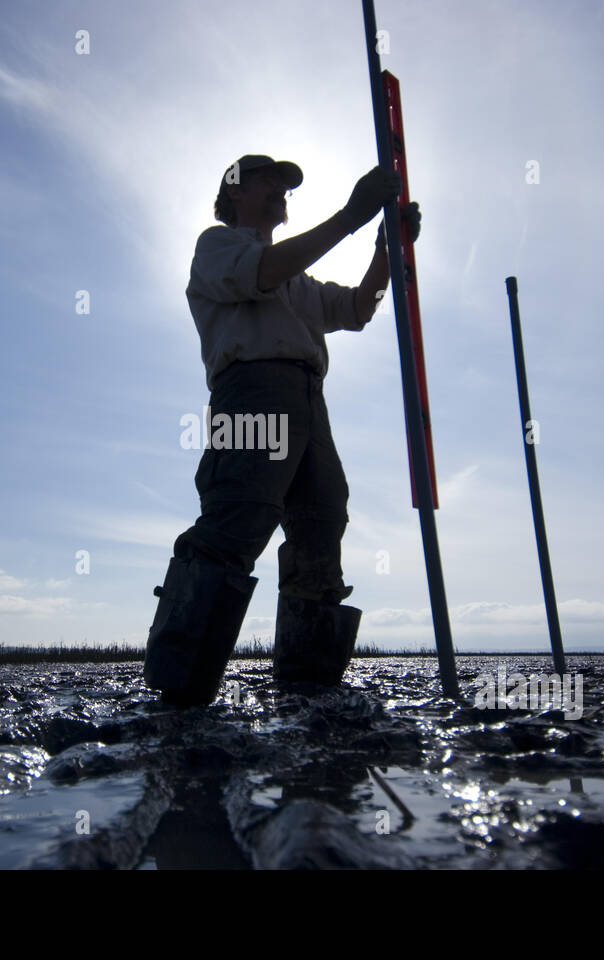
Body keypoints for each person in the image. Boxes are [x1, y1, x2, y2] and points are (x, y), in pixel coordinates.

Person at [144, 154, 421, 707]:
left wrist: (384, 252)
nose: (280, 191)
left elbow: (357, 308)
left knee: (321, 522)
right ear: (234, 193)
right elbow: (261, 272)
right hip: (252, 391)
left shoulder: (297, 277)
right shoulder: (217, 246)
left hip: (307, 398)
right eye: (267, 182)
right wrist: (350, 216)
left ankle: (308, 685)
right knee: (238, 519)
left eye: (284, 186)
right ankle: (179, 688)